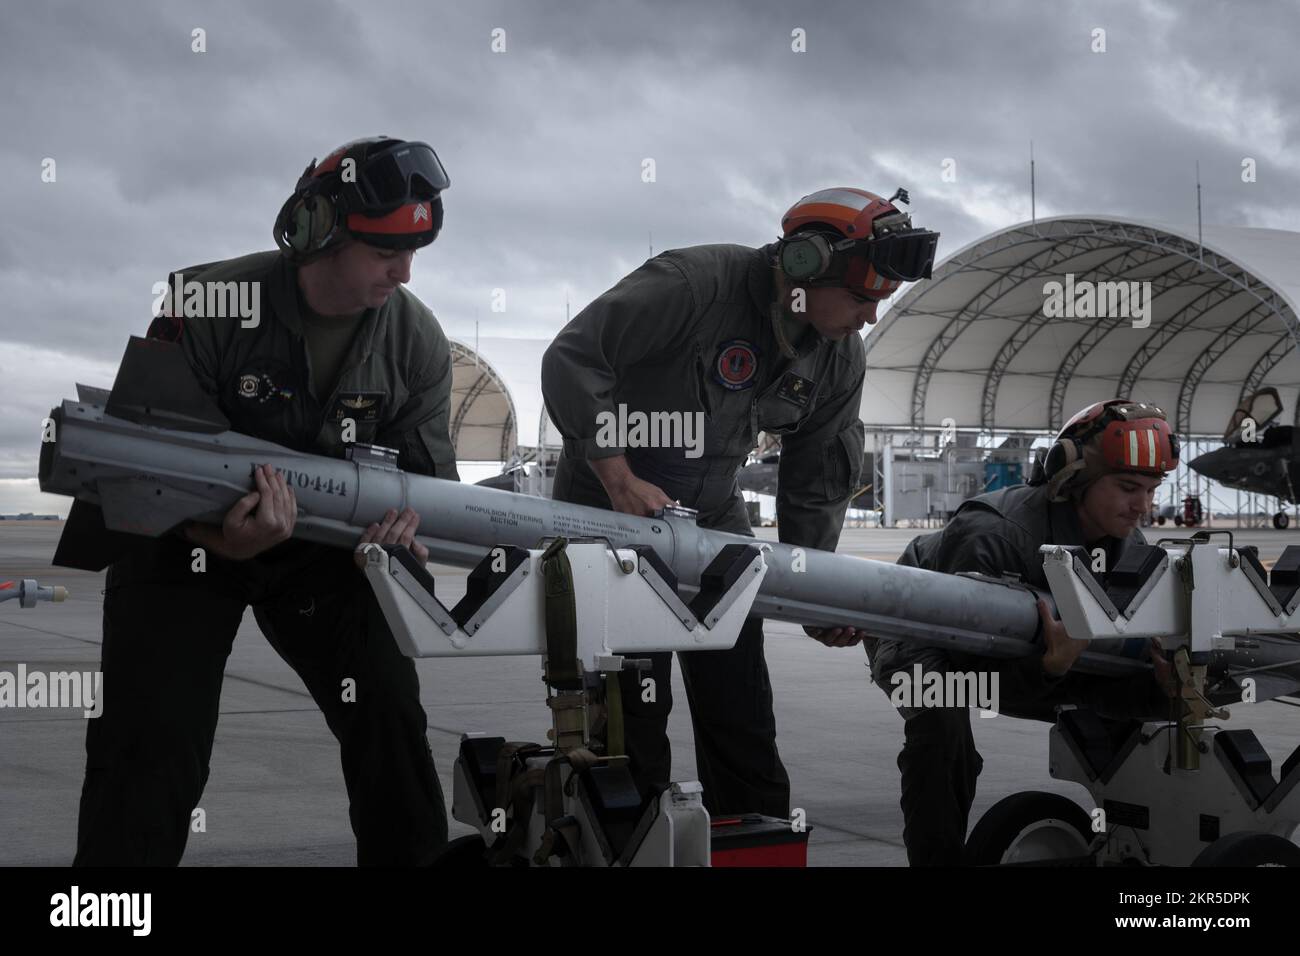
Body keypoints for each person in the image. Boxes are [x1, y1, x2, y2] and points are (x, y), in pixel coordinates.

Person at [67, 136, 460, 866]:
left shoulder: (417, 342)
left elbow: (428, 482)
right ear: (320, 234)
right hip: (179, 542)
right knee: (151, 744)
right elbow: (153, 452)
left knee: (389, 721)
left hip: (324, 555)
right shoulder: (207, 303)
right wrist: (217, 540)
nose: (403, 274)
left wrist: (405, 541)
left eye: (416, 253)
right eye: (383, 251)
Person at [541, 187, 939, 815]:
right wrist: (618, 477)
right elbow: (574, 359)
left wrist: (815, 594)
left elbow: (818, 475)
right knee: (629, 731)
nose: (868, 317)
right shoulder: (692, 287)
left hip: (715, 529)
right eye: (864, 299)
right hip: (611, 524)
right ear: (807, 264)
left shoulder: (837, 355)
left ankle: (754, 844)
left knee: (744, 726)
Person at [864, 400, 1180, 865]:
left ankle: (1120, 846)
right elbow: (977, 673)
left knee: (1127, 724)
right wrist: (1051, 667)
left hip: (1029, 649)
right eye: (1129, 487)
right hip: (918, 627)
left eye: (1152, 490)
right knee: (941, 721)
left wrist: (1163, 693)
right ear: (1074, 480)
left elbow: (1100, 683)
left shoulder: (1127, 546)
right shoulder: (994, 535)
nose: (1143, 507)